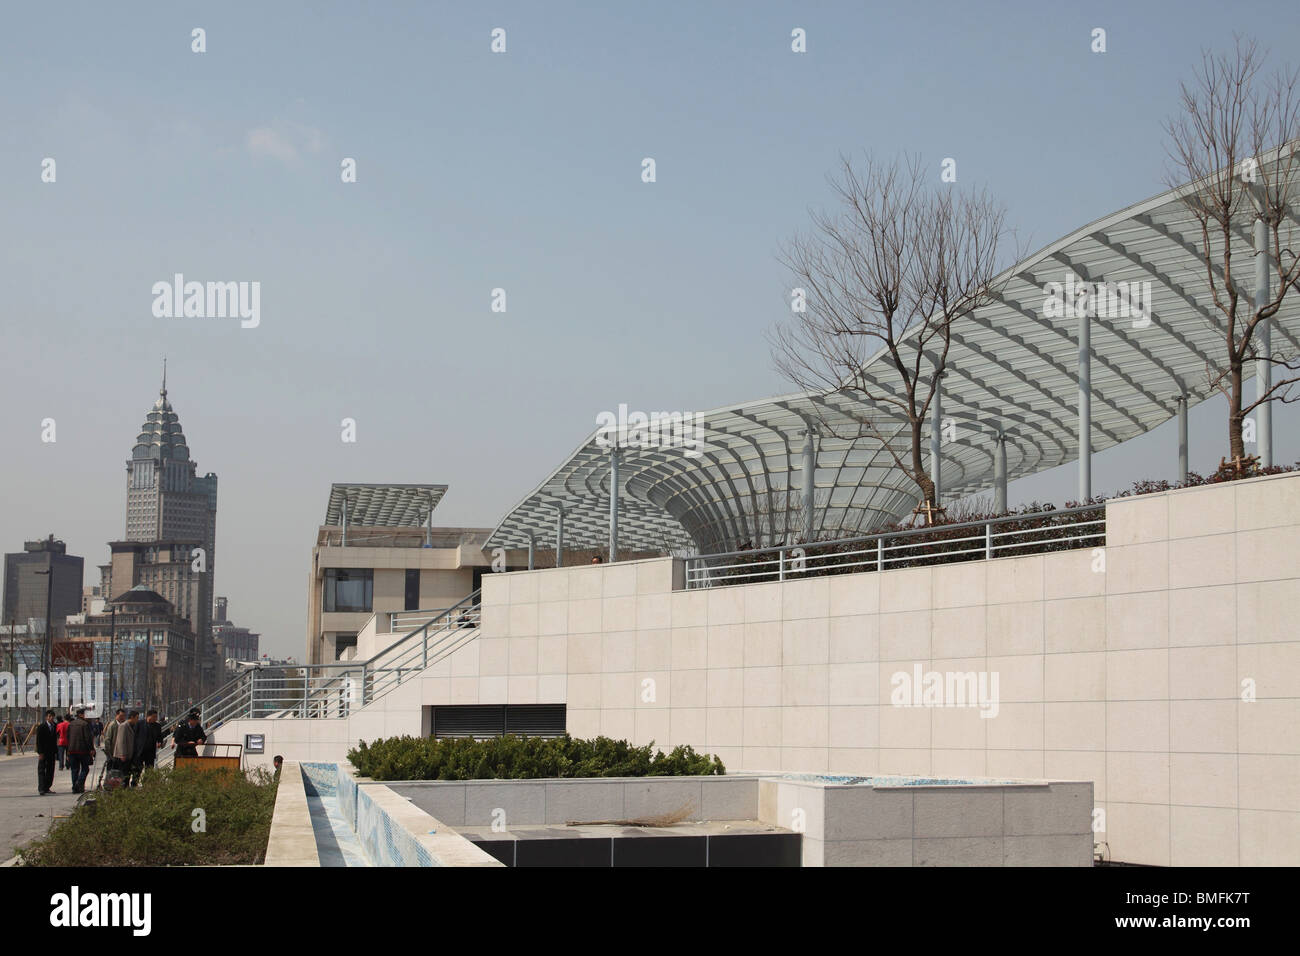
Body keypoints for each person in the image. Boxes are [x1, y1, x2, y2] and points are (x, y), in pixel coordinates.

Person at [66, 708, 95, 794]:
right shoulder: (85, 724)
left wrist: (68, 750)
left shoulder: (71, 724)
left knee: (74, 769)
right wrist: (91, 749)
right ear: (81, 715)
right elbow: (87, 738)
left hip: (72, 750)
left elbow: (68, 737)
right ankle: (79, 783)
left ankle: (75, 787)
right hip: (83, 750)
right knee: (85, 769)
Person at [36, 710, 59, 795]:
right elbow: (38, 741)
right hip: (43, 752)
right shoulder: (42, 727)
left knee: (50, 770)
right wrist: (40, 752)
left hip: (52, 752)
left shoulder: (55, 726)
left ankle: (47, 787)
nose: (51, 718)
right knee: (41, 770)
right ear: (46, 717)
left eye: (52, 716)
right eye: (49, 716)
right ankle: (41, 788)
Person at [112, 710, 137, 779]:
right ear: (132, 717)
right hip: (123, 756)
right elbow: (121, 741)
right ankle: (123, 788)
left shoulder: (132, 726)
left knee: (127, 773)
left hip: (129, 754)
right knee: (123, 774)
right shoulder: (123, 726)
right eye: (136, 718)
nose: (137, 720)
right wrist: (122, 754)